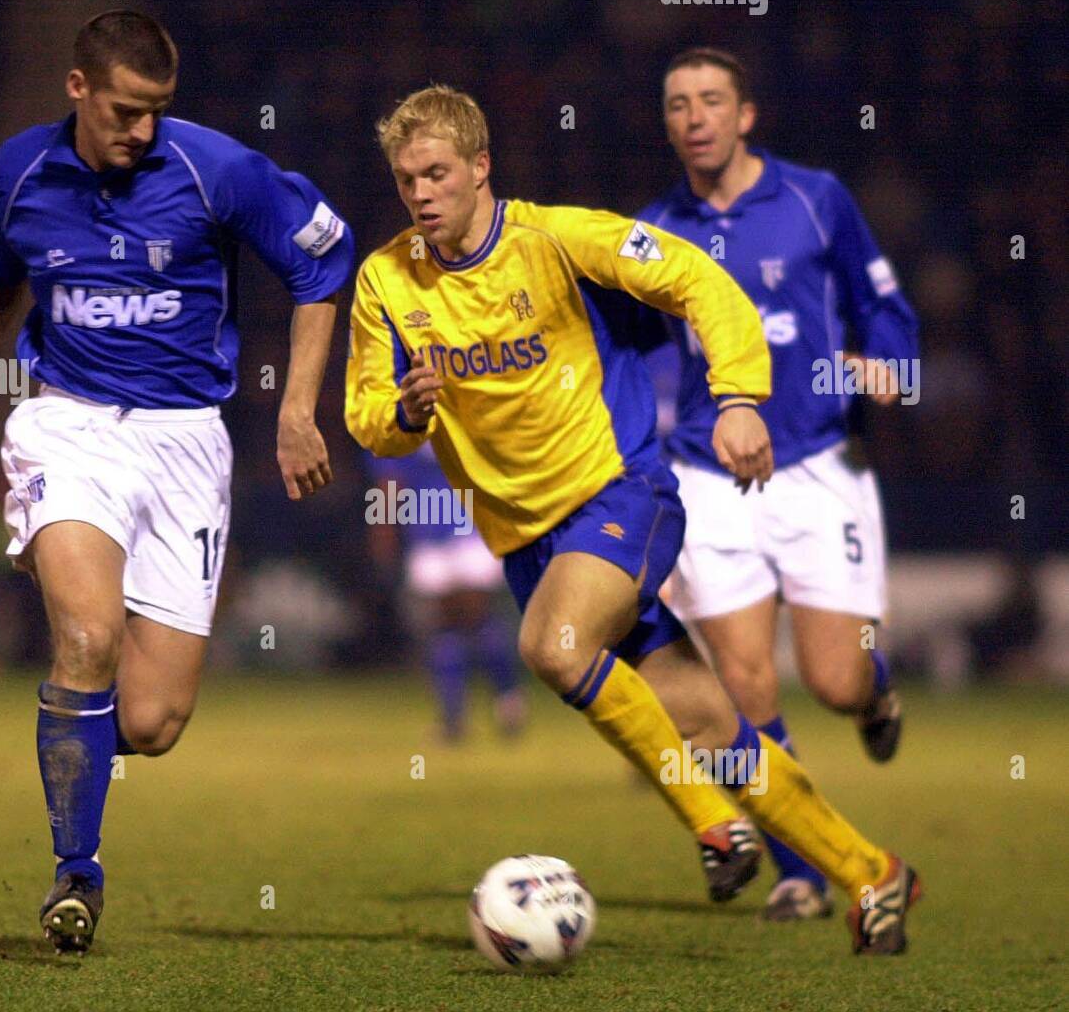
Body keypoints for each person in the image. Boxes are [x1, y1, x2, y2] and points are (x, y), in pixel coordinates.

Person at [345, 85, 921, 954]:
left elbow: (698, 277)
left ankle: (710, 823)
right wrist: (410, 412)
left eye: (436, 173)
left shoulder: (559, 240)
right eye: (405, 179)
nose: (421, 194)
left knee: (552, 646)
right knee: (714, 725)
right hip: (528, 540)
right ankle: (872, 871)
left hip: (620, 496)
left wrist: (737, 396)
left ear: (480, 167)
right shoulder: (388, 280)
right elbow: (367, 418)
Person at [0, 10, 354, 955]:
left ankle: (80, 699)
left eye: (156, 111)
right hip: (67, 425)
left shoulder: (217, 168)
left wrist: (298, 407)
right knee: (90, 634)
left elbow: (322, 268)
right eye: (125, 110)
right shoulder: (22, 170)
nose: (141, 130)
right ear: (78, 89)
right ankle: (76, 873)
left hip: (186, 442)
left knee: (151, 721)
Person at [640, 48, 919, 920]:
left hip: (817, 465)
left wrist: (892, 366)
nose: (695, 116)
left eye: (712, 100)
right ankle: (804, 868)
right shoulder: (652, 229)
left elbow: (880, 303)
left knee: (834, 680)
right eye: (679, 103)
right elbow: (632, 348)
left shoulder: (815, 198)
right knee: (746, 688)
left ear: (746, 114)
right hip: (708, 473)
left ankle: (876, 696)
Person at [367, 441, 527, 744]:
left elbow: (390, 479)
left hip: (451, 524)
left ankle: (485, 707)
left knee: (459, 621)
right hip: (450, 526)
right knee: (458, 623)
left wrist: (383, 528)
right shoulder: (468, 399)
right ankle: (494, 704)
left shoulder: (399, 407)